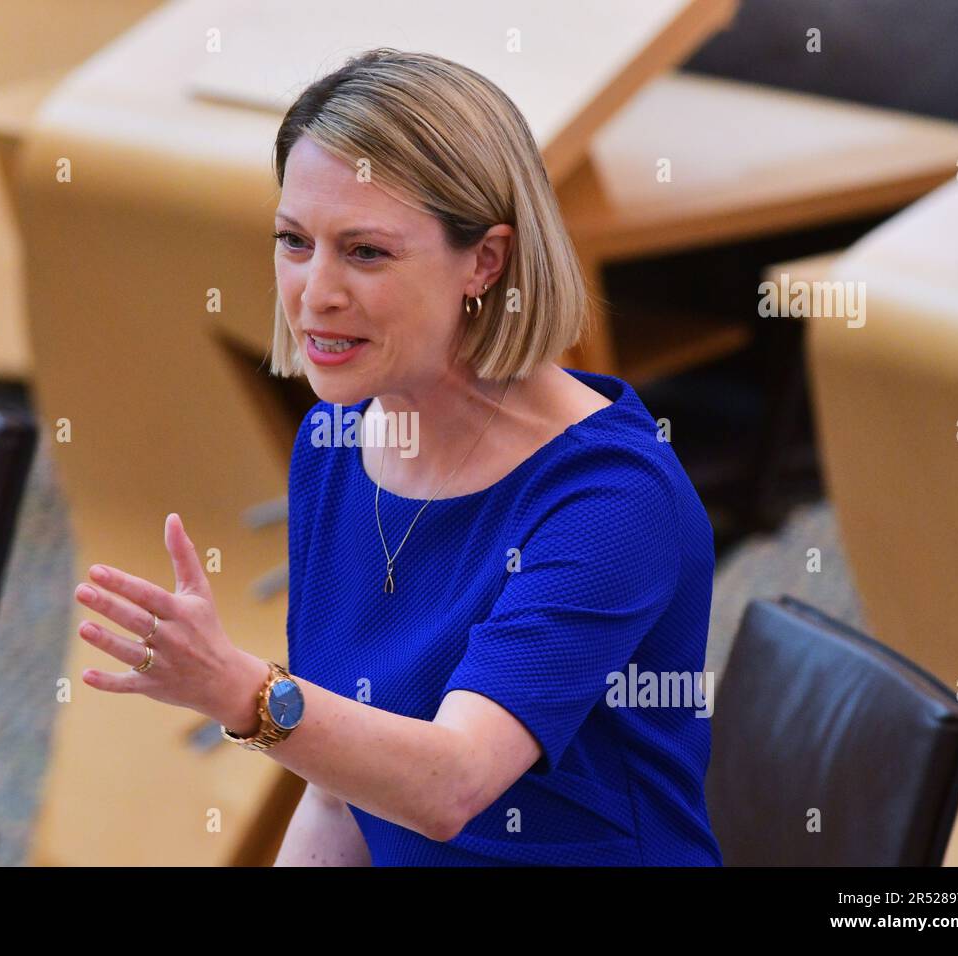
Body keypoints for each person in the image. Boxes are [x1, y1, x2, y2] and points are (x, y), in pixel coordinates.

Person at [74, 48, 722, 866]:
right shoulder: (336, 441)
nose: (316, 293)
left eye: (366, 251)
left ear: (485, 262)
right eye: (293, 241)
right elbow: (339, 798)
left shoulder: (610, 502)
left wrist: (242, 692)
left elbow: (451, 785)